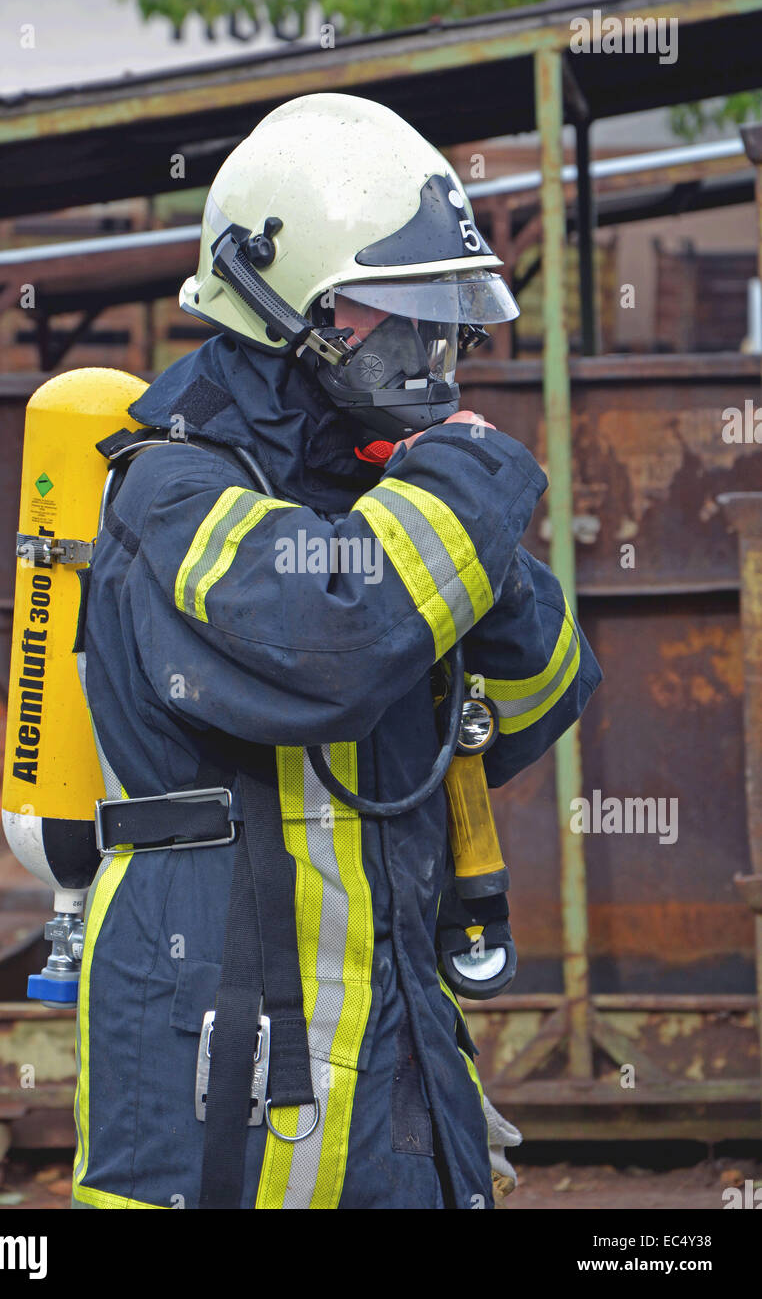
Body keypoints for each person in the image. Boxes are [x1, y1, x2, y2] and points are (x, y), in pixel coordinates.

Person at [72, 92, 602, 1210]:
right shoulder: (171, 488)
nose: (430, 345)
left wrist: (463, 534)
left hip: (389, 1044)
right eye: (391, 308)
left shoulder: (390, 495)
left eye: (442, 312)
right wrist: (463, 491)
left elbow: (537, 693)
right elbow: (325, 641)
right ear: (282, 303)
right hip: (207, 1053)